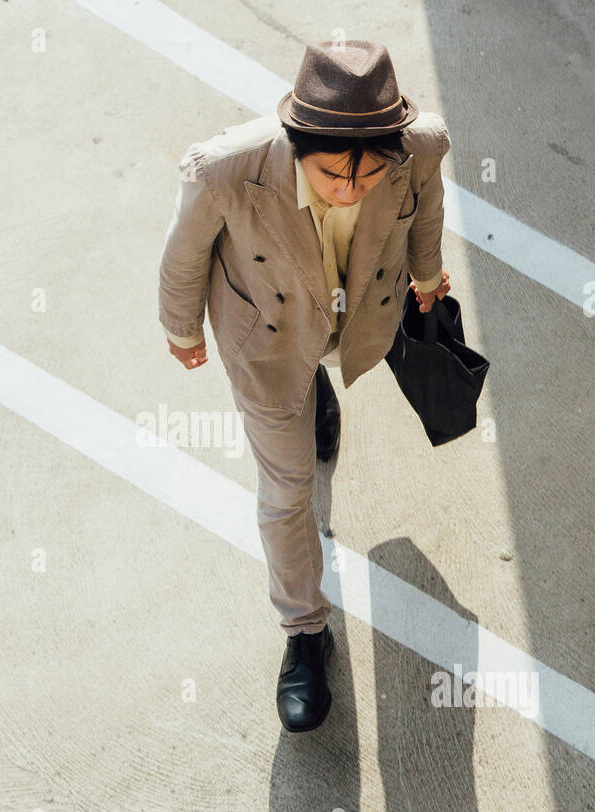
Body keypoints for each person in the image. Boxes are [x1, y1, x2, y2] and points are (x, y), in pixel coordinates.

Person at [158, 39, 451, 732]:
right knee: (288, 489)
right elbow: (183, 254)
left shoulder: (421, 150)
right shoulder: (225, 170)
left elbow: (428, 210)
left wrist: (429, 274)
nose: (349, 190)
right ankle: (304, 632)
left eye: (369, 175)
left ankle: (317, 387)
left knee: (321, 366)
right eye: (330, 176)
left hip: (351, 320)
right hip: (264, 339)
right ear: (296, 143)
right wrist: (182, 331)